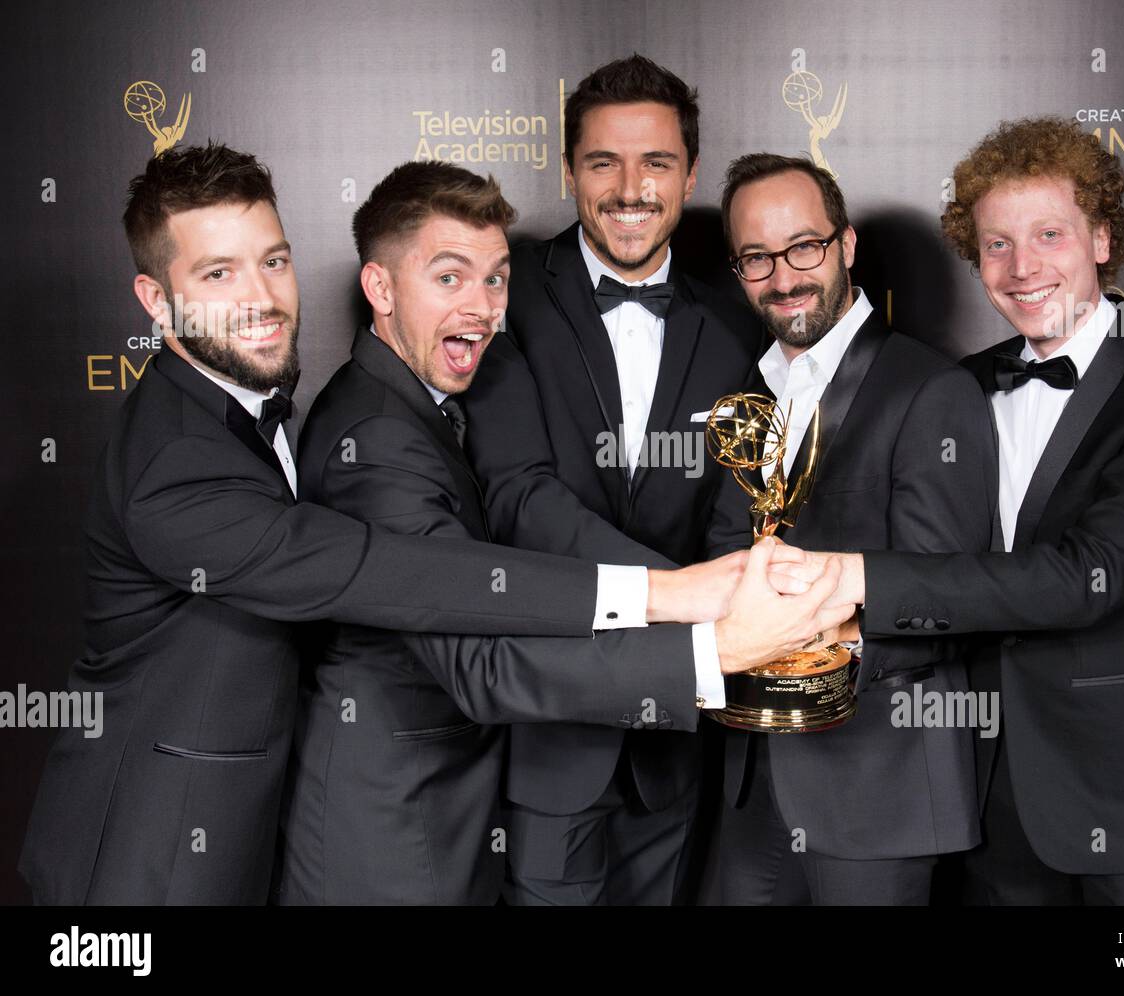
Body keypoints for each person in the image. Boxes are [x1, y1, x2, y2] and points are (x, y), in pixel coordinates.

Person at [17, 142, 822, 905]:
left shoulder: (261, 403)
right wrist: (680, 610)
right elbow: (402, 576)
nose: (261, 297)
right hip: (152, 857)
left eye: (273, 261)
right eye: (218, 272)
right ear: (157, 299)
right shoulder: (195, 462)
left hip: (296, 824)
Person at [277, 160, 846, 904]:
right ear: (379, 289)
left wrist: (674, 592)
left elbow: (493, 589)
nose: (481, 307)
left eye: (496, 278)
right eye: (449, 278)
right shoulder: (376, 442)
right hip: (389, 829)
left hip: (445, 812)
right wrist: (709, 643)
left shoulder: (426, 407)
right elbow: (481, 662)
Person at [810, 117, 1124, 905]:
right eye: (997, 244)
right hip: (986, 797)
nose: (1023, 267)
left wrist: (857, 581)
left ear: (1103, 240)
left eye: (1050, 234)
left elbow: (1087, 578)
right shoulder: (957, 387)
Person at [462, 55, 762, 905]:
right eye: (604, 163)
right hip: (548, 732)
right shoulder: (507, 297)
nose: (631, 189)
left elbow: (735, 507)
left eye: (657, 163)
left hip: (677, 739)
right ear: (568, 171)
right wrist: (687, 593)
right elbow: (519, 495)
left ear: (690, 173)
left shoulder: (736, 324)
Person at [706, 153, 996, 904]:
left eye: (804, 247)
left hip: (878, 783)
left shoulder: (932, 389)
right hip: (751, 779)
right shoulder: (745, 394)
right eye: (757, 257)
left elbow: (954, 597)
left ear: (847, 245)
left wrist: (811, 635)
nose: (785, 276)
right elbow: (719, 550)